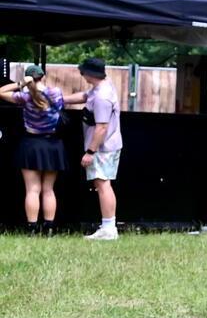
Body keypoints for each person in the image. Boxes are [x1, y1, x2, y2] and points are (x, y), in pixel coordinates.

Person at [2, 65, 64, 235]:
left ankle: (32, 229)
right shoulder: (56, 93)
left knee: (32, 190)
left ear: (29, 78)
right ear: (43, 77)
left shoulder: (25, 97)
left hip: (31, 145)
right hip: (52, 145)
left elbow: (1, 91)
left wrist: (21, 83)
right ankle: (49, 228)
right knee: (48, 190)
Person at [75, 57, 123, 240]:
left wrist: (90, 152)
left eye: (83, 72)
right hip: (107, 145)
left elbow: (101, 127)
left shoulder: (102, 97)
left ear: (89, 74)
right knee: (102, 183)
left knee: (103, 183)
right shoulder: (102, 87)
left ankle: (109, 228)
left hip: (102, 148)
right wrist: (58, 99)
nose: (82, 75)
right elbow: (84, 96)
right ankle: (108, 226)